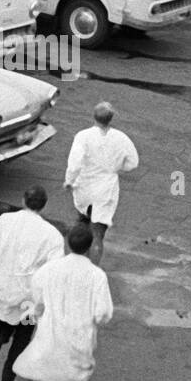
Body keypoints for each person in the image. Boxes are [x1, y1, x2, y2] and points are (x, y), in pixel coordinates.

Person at [13, 223, 115, 381]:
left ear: (67, 243)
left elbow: (36, 297)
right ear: (90, 248)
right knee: (75, 372)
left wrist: (39, 311)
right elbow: (103, 313)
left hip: (52, 336)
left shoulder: (49, 270)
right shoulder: (97, 276)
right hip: (79, 337)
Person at [0, 185, 64, 381]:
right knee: (23, 335)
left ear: (23, 200)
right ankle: (7, 380)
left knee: (4, 317)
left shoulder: (3, 221)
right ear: (43, 206)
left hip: (0, 285)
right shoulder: (52, 235)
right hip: (28, 297)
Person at [64, 102, 138, 264]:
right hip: (106, 189)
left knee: (81, 224)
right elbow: (133, 163)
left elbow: (75, 163)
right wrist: (117, 168)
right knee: (97, 233)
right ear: (111, 119)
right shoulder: (121, 138)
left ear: (94, 116)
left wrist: (69, 181)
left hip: (85, 187)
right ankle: (93, 269)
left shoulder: (83, 136)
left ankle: (73, 261)